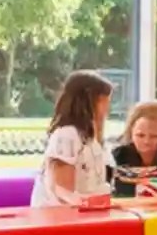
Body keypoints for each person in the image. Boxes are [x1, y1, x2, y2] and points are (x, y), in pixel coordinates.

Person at [31, 70, 115, 207]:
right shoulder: (66, 136)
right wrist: (87, 203)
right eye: (103, 100)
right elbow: (61, 190)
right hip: (59, 216)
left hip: (85, 213)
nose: (108, 107)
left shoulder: (91, 139)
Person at [111, 100, 157, 197]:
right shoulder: (119, 154)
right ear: (130, 132)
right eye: (140, 135)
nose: (146, 141)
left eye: (154, 136)